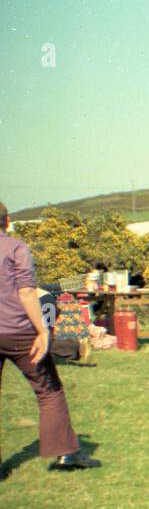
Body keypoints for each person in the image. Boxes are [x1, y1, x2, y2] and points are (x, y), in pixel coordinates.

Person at [0, 201, 100, 472]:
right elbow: (27, 291)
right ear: (7, 221)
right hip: (19, 332)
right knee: (49, 391)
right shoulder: (17, 248)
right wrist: (43, 330)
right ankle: (66, 453)